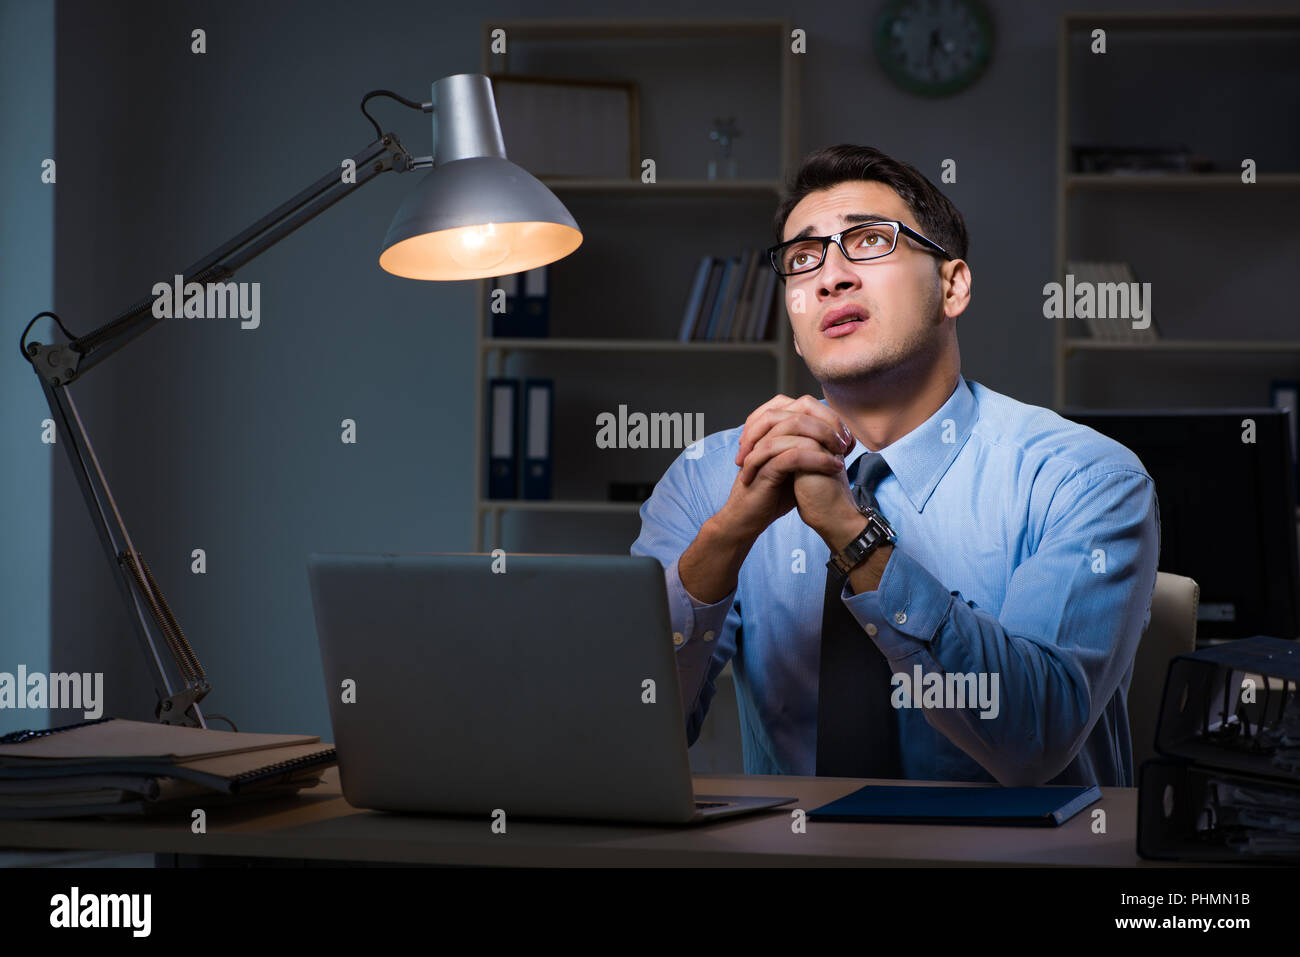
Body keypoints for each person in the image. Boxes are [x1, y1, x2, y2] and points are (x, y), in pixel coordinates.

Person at [630, 144, 1160, 788]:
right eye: (803, 258)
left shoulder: (1084, 478)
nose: (831, 276)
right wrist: (730, 531)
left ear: (952, 285)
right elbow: (628, 722)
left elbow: (1034, 740)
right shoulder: (708, 477)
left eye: (870, 242)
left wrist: (852, 536)